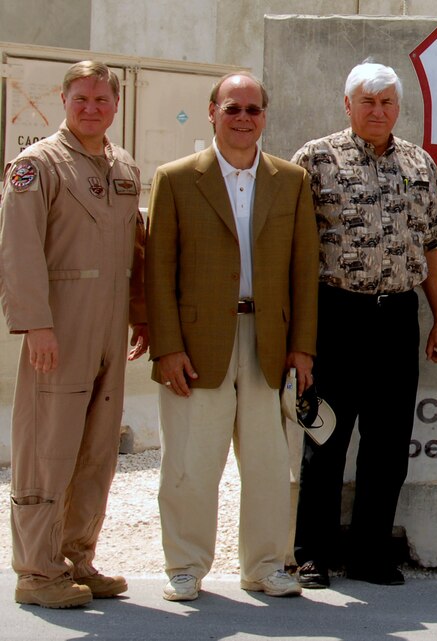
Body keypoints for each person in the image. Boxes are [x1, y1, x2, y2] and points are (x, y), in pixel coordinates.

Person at [146, 72, 318, 602]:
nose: (243, 118)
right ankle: (185, 566)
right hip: (197, 345)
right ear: (212, 112)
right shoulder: (175, 178)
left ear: (265, 116)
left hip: (269, 340)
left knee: (269, 465)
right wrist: (167, 348)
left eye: (253, 109)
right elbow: (158, 273)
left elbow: (303, 269)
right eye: (232, 108)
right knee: (191, 462)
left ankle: (266, 566)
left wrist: (303, 347)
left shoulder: (290, 180)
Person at [289, 60, 437, 589]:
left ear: (398, 109)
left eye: (387, 103)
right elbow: (291, 252)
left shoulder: (419, 164)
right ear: (347, 105)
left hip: (396, 318)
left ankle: (369, 555)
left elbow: (432, 248)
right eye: (367, 101)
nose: (378, 111)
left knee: (387, 442)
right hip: (334, 316)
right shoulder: (314, 161)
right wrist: (299, 337)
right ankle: (311, 554)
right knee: (325, 438)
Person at [0, 60, 148, 609]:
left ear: (115, 105)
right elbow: (17, 250)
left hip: (109, 325)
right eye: (81, 98)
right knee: (48, 447)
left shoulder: (123, 166)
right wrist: (35, 323)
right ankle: (36, 572)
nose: (92, 108)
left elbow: (136, 249)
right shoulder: (38, 165)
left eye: (102, 100)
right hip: (59, 324)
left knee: (96, 450)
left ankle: (76, 557)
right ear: (63, 100)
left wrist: (143, 316)